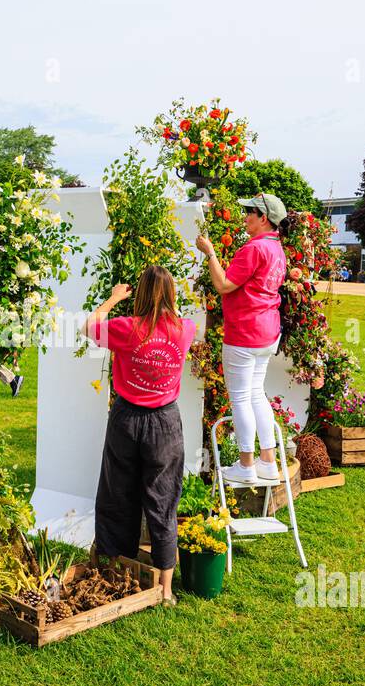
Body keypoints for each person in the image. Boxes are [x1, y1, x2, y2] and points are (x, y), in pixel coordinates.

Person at [84, 266, 195, 607]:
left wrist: (114, 298)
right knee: (163, 502)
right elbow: (175, 318)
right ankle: (165, 590)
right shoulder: (185, 329)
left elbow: (89, 326)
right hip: (166, 423)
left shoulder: (126, 328)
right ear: (172, 295)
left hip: (127, 418)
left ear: (142, 295)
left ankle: (116, 570)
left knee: (118, 493)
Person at [196, 192, 289, 485]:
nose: (245, 216)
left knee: (240, 399)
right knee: (256, 394)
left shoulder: (254, 249)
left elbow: (224, 285)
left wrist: (210, 253)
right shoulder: (277, 249)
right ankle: (268, 462)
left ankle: (246, 466)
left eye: (250, 211)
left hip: (245, 333)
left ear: (264, 218)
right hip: (267, 332)